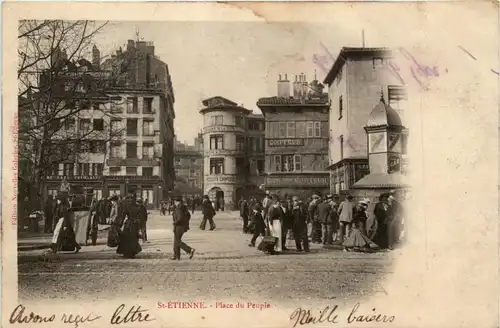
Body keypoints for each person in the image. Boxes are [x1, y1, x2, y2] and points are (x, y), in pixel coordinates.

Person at [115, 191, 142, 258]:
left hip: (129, 224)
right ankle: (132, 252)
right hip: (134, 224)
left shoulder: (127, 206)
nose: (130, 199)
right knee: (133, 238)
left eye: (131, 198)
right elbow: (140, 217)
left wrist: (119, 224)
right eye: (129, 198)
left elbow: (123, 215)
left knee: (127, 238)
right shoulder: (138, 206)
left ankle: (127, 253)